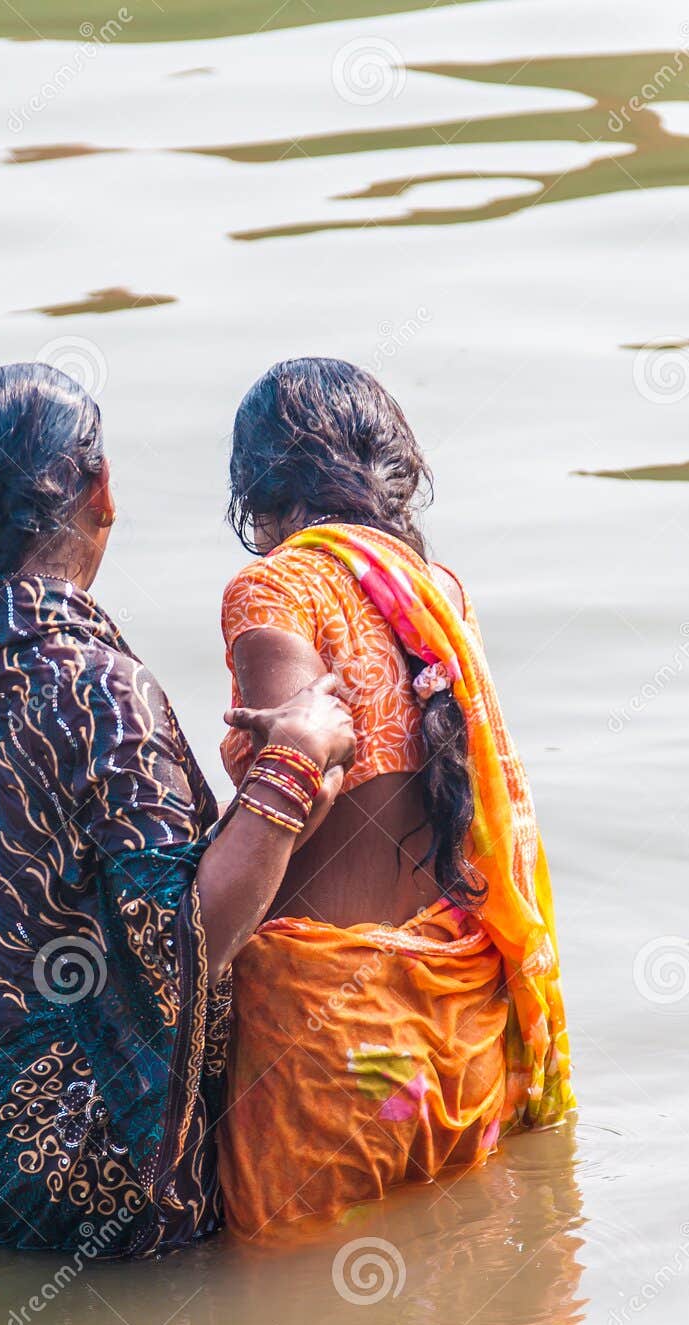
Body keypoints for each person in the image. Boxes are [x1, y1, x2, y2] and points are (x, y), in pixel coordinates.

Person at [0, 363, 352, 1258]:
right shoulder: (104, 692)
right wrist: (292, 765)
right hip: (105, 1211)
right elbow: (180, 947)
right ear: (101, 489)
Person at [217, 356, 575, 1238]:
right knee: (456, 1321)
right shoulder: (438, 595)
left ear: (256, 490)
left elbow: (298, 798)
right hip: (459, 1039)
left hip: (330, 1053)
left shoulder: (274, 586)